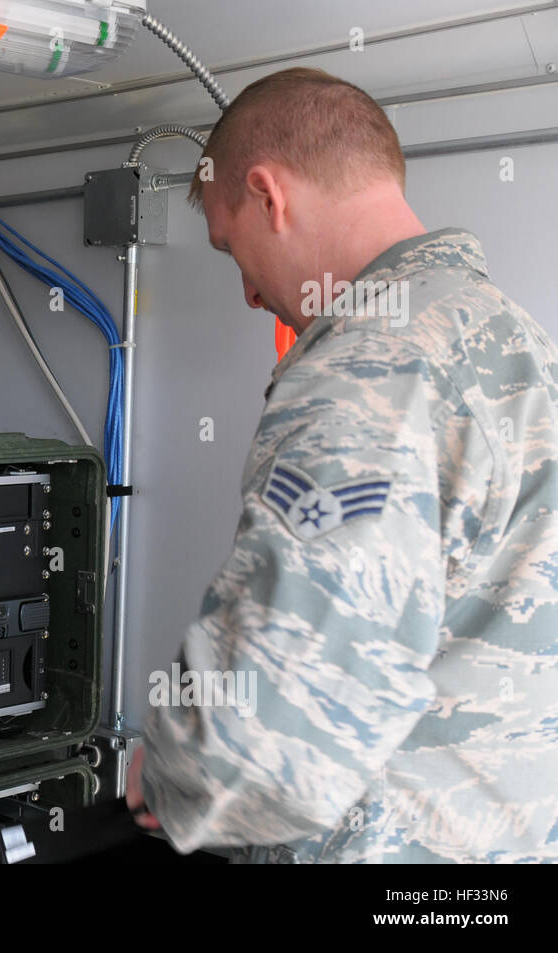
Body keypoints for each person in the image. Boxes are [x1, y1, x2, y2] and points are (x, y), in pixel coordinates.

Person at [126, 67, 558, 862]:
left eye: (231, 246)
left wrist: (169, 770)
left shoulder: (365, 372)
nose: (249, 293)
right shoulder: (522, 343)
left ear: (268, 195)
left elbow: (272, 735)